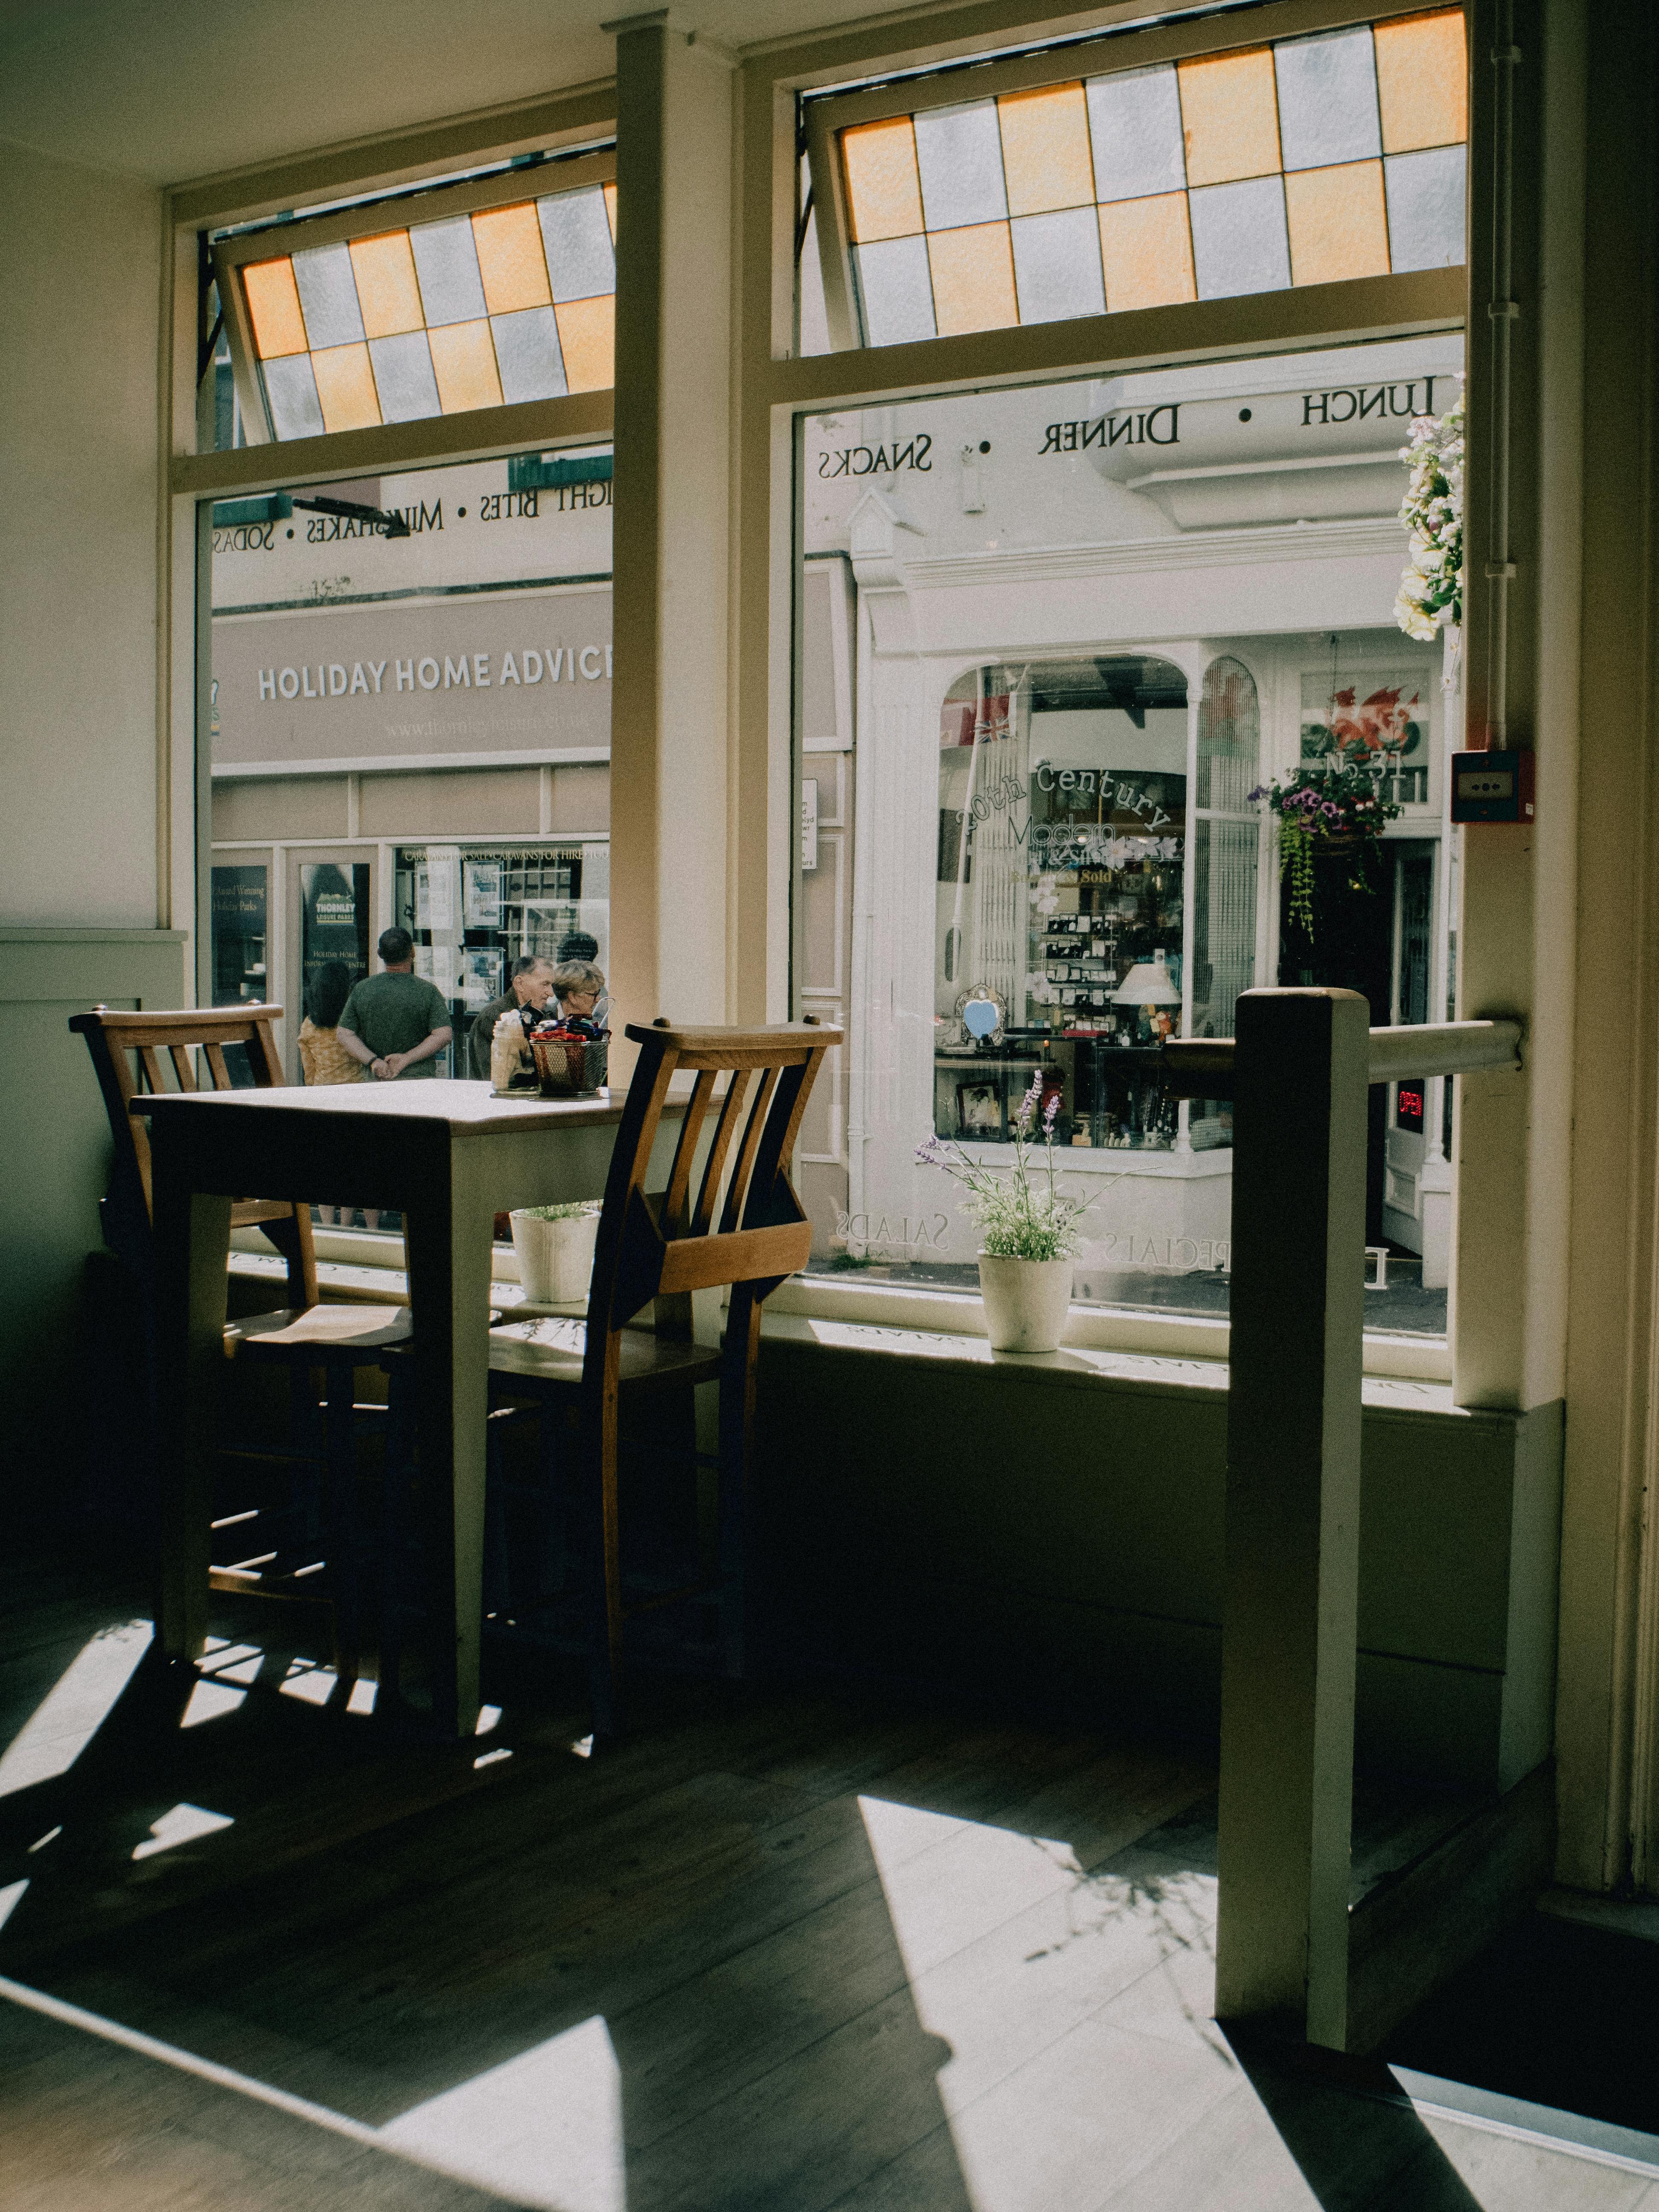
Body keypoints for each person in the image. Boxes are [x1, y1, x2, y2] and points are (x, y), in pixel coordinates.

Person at [299, 960, 381, 1226]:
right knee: (359, 1165)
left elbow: (309, 1069)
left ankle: (328, 1225)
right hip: (357, 1096)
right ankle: (356, 1225)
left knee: (328, 1166)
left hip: (322, 1098)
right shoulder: (353, 1023)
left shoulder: (309, 1025)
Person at [337, 927, 454, 1080]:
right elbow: (444, 1035)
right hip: (418, 1081)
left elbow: (344, 1033)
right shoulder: (428, 991)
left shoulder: (362, 989)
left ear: (380, 954)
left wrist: (374, 1061)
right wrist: (407, 1058)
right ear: (413, 952)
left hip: (376, 1082)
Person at [466, 953, 557, 1080]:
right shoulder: (494, 1018)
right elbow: (496, 1078)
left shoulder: (545, 1014)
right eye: (545, 984)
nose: (551, 993)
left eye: (552, 985)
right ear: (520, 984)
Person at [547, 958, 607, 1032]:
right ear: (572, 996)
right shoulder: (546, 1019)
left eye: (598, 993)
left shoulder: (600, 1022)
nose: (598, 1000)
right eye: (594, 995)